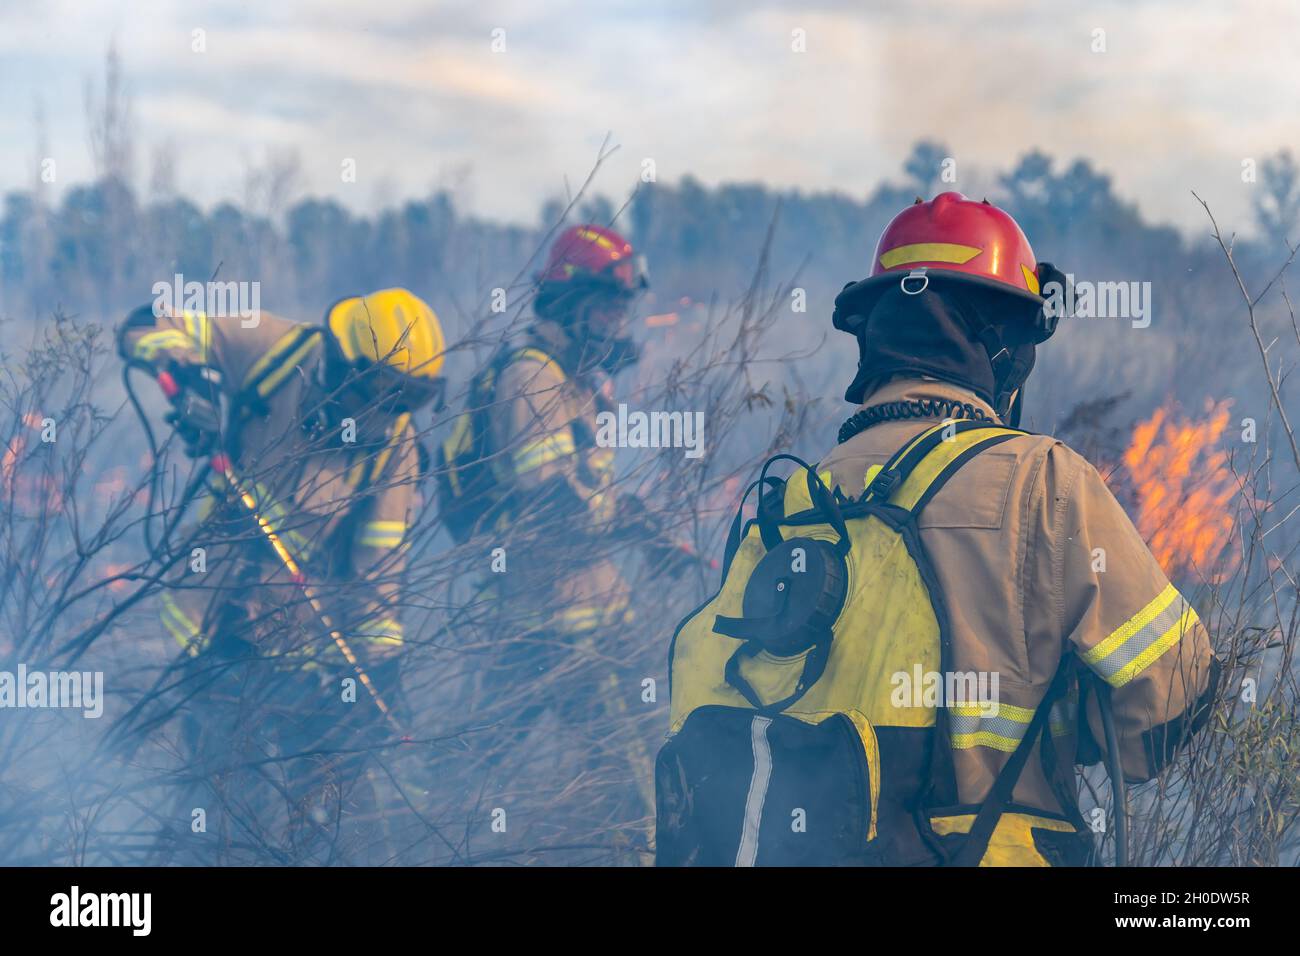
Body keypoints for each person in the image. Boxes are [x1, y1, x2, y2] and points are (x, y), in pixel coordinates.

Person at [658, 192, 1219, 867]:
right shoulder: (1043, 482)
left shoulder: (795, 507)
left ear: (876, 338)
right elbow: (1172, 695)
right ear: (1008, 349)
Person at [118, 288, 444, 861]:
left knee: (327, 808)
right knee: (223, 796)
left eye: (402, 403)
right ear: (343, 364)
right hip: (209, 615)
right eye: (377, 396)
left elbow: (377, 572)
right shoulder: (271, 346)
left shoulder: (395, 445)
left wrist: (383, 669)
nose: (383, 416)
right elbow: (147, 323)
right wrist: (190, 381)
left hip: (299, 645)